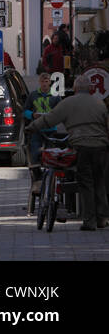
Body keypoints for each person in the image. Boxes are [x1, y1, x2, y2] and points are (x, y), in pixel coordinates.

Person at [31, 73, 109, 230]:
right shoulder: (100, 103)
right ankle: (102, 218)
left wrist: (32, 127)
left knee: (86, 183)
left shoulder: (68, 103)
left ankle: (90, 221)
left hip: (81, 147)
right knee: (100, 181)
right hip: (101, 147)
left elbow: (50, 118)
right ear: (90, 88)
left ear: (75, 88)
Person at [23, 71, 62, 166]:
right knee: (35, 152)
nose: (44, 84)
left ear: (50, 82)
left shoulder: (56, 96)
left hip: (51, 128)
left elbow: (61, 111)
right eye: (42, 81)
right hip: (37, 128)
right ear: (39, 82)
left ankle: (50, 171)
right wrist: (32, 115)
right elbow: (25, 111)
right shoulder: (33, 95)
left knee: (52, 153)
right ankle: (36, 171)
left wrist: (54, 116)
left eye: (46, 81)